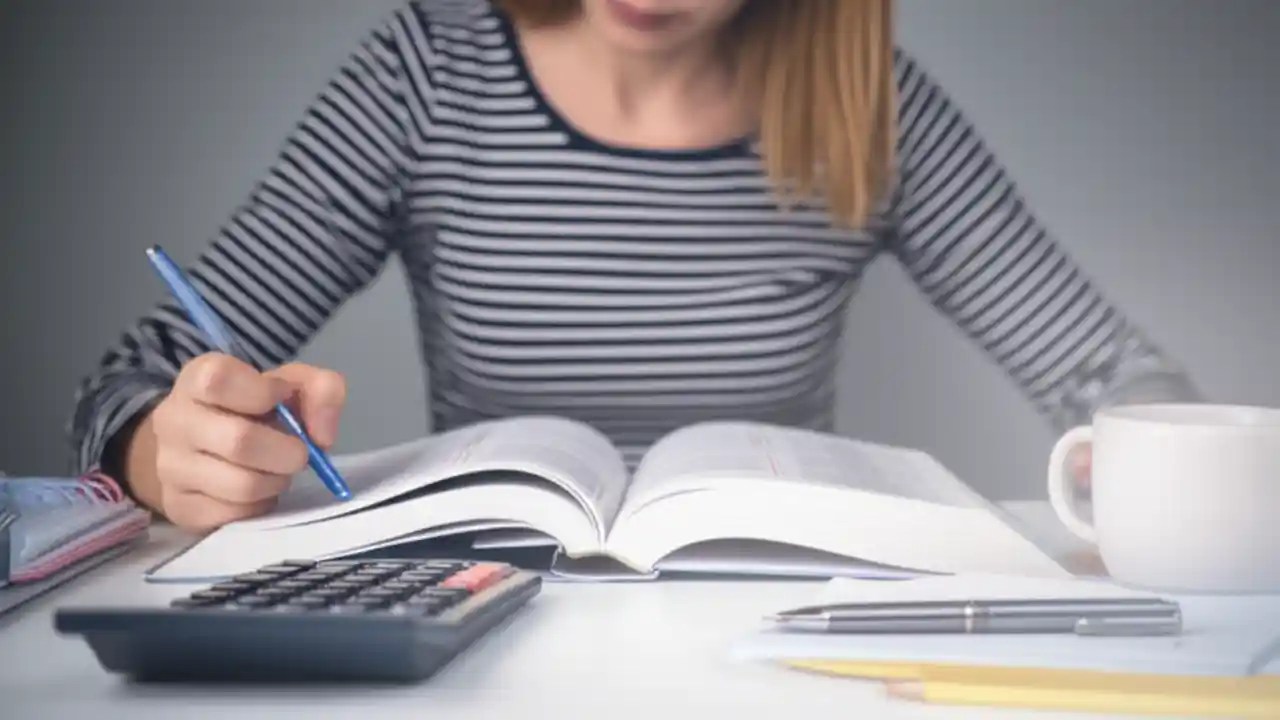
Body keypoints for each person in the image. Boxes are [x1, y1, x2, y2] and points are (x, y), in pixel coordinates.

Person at [68, 0, 1200, 532]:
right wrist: (165, 449)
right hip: (479, 620)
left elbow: (1115, 378)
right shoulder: (429, 74)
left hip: (776, 631)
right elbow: (130, 382)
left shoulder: (867, 112)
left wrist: (1154, 457)